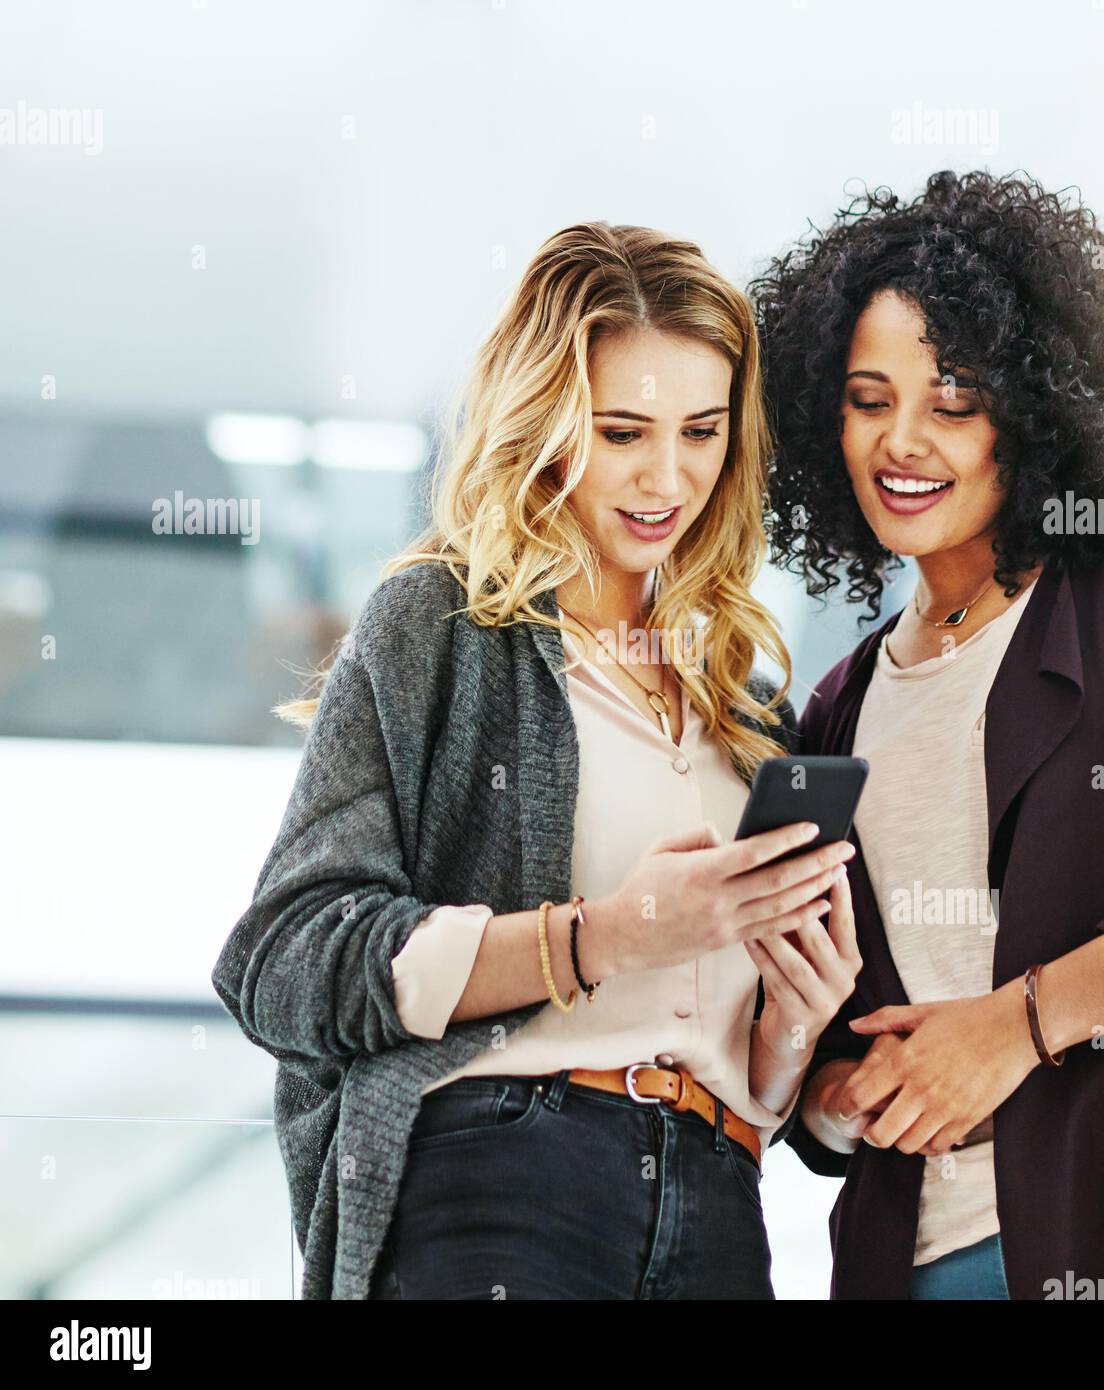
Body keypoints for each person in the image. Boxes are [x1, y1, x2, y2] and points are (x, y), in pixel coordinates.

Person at [212, 221, 861, 1300]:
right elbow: (280, 961)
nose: (667, 476)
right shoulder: (442, 626)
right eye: (622, 431)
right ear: (548, 422)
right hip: (507, 1179)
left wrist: (794, 1020)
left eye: (701, 431)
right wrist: (601, 935)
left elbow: (751, 1076)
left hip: (719, 1201)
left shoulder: (748, 706)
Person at [750, 170, 1104, 1299]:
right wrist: (844, 1096)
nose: (902, 442)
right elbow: (823, 1054)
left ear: (1038, 411)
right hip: (916, 1259)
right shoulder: (836, 714)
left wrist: (1014, 1027)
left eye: (954, 402)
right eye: (867, 400)